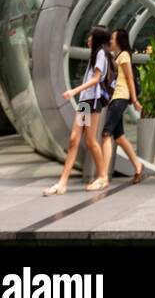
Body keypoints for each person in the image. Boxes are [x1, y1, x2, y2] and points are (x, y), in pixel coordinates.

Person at [43, 25, 113, 195]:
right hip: (85, 102)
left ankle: (102, 177)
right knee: (74, 139)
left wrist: (75, 91)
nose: (88, 39)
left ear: (96, 39)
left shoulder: (101, 53)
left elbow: (96, 79)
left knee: (89, 140)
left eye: (90, 37)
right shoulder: (95, 55)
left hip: (91, 101)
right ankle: (62, 183)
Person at [101, 28, 144, 184]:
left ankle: (103, 176)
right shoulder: (116, 56)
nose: (110, 41)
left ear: (119, 41)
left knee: (106, 134)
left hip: (120, 98)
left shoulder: (124, 56)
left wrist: (134, 100)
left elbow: (130, 78)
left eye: (112, 39)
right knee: (119, 137)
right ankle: (138, 166)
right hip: (115, 98)